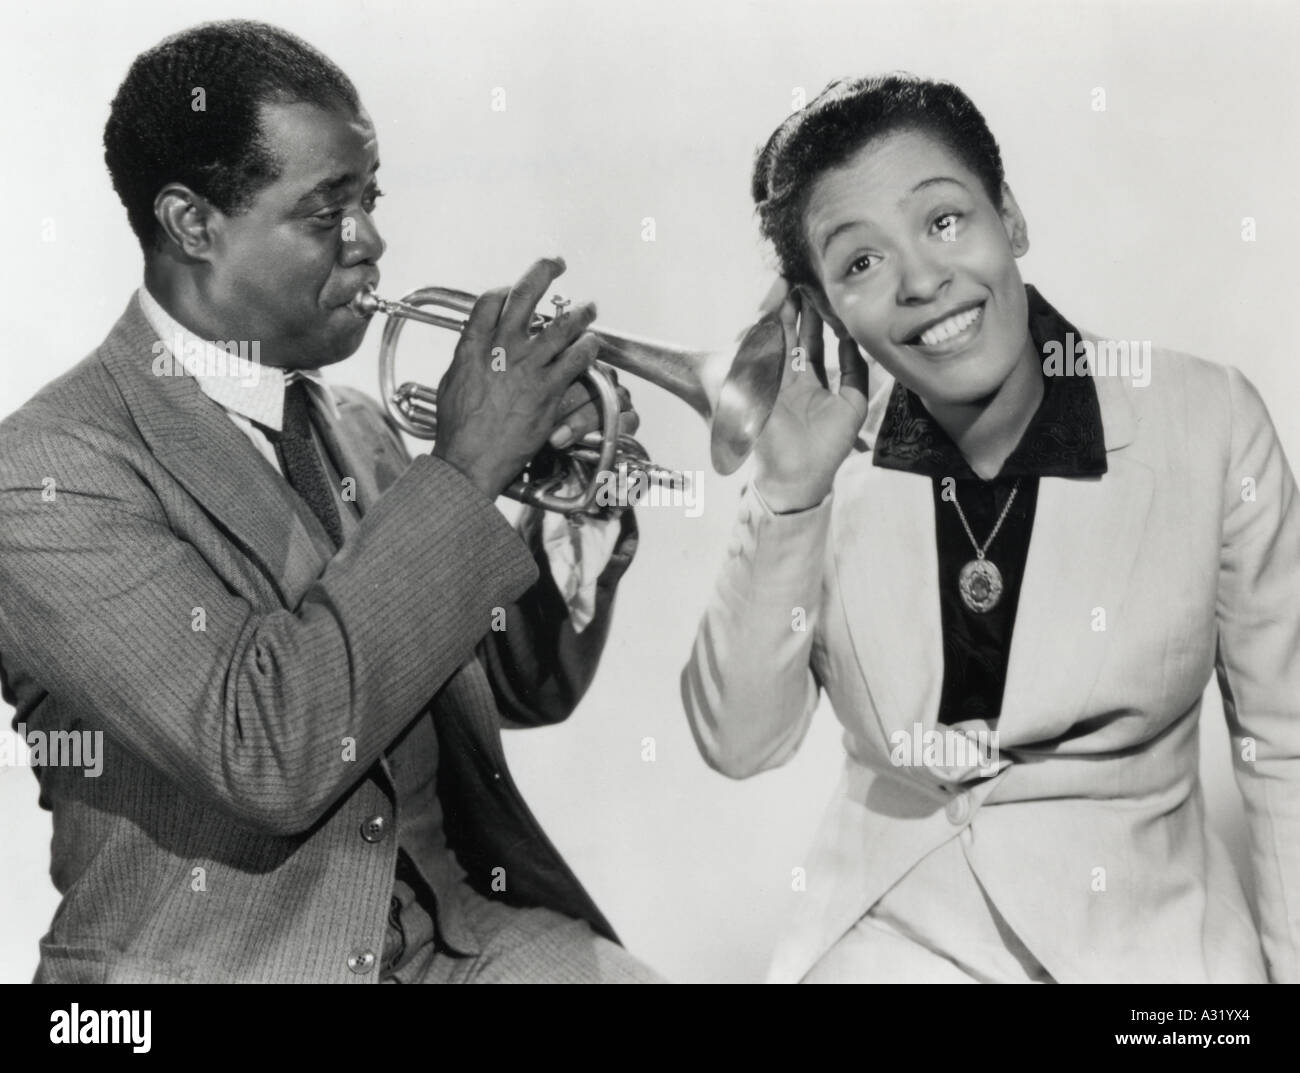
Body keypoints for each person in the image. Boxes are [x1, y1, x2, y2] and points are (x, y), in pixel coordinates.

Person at [0, 19, 661, 984]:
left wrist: (572, 491)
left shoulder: (356, 423)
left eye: (372, 198)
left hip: (455, 942)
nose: (372, 241)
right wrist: (467, 471)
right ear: (191, 224)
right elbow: (267, 751)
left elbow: (528, 686)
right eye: (326, 213)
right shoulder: (45, 472)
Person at [681, 72, 1300, 983]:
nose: (925, 280)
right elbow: (740, 742)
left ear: (1008, 219)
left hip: (1152, 961)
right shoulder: (822, 465)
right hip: (891, 937)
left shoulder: (1208, 421)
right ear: (818, 311)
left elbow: (1285, 743)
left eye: (944, 221)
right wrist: (789, 499)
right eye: (861, 262)